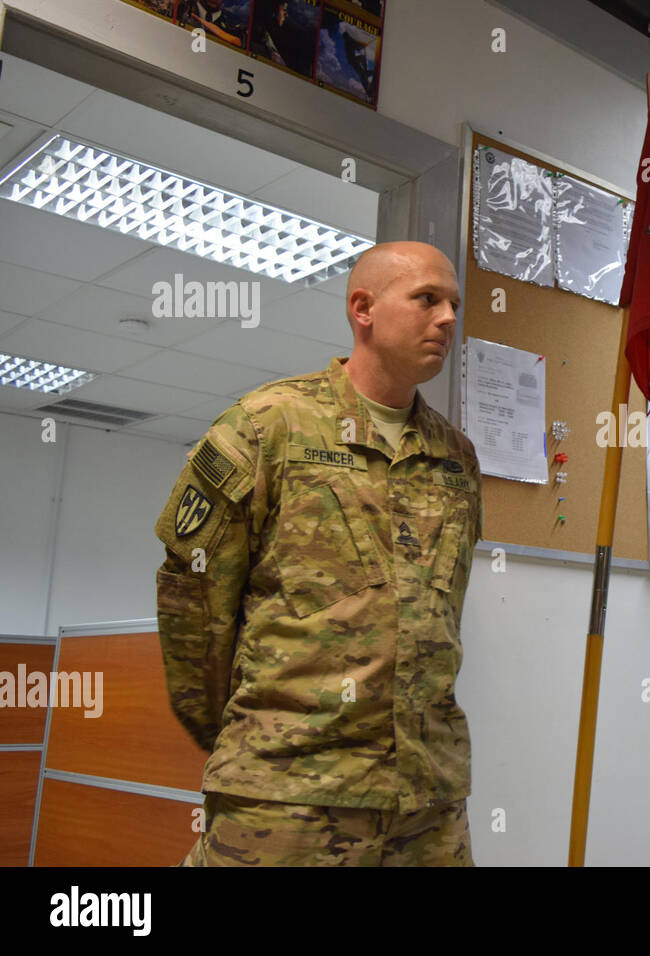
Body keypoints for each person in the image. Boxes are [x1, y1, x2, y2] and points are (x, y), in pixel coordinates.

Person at [154, 241, 482, 866]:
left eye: (454, 305)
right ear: (363, 308)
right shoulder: (269, 426)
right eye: (426, 299)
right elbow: (195, 607)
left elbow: (442, 615)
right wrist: (253, 736)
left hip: (427, 799)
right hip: (286, 797)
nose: (447, 318)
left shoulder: (456, 457)